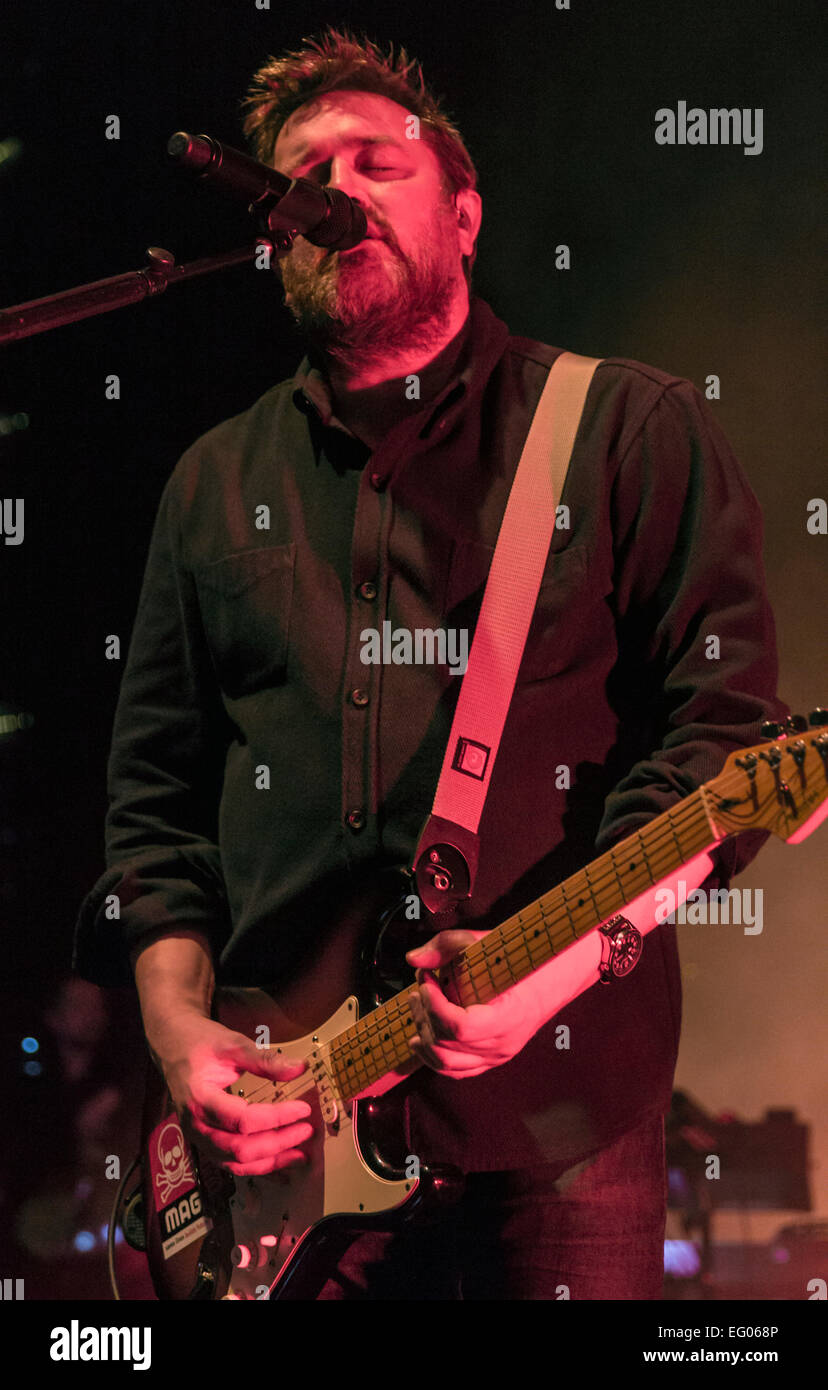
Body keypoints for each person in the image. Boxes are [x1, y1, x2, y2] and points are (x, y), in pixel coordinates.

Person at [74, 27, 787, 1299]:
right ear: (271, 232)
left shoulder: (626, 428)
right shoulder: (212, 483)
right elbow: (153, 810)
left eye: (375, 160)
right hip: (269, 1143)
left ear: (464, 213)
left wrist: (550, 975)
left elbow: (722, 741)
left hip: (557, 1129)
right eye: (303, 172)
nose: (333, 187)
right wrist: (182, 1036)